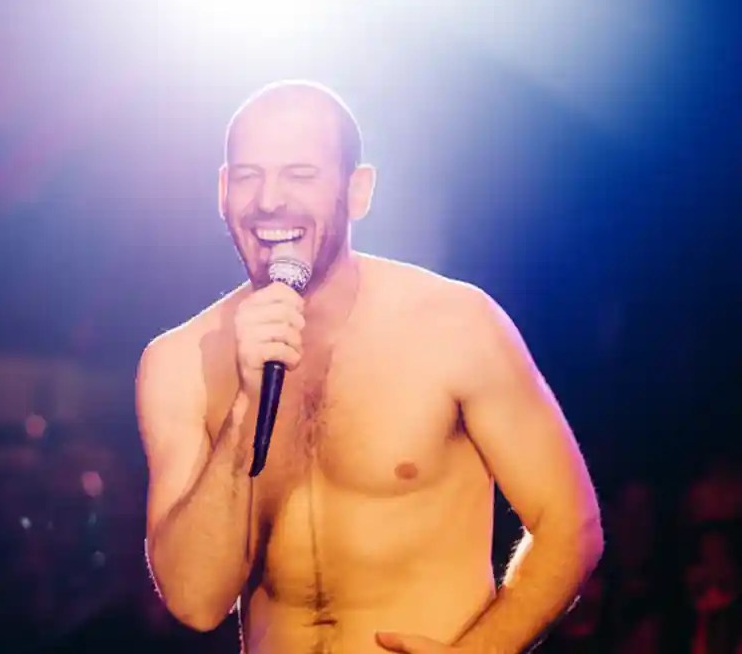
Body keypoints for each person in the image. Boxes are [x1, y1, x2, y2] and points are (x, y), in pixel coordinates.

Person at [136, 81, 604, 653]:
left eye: (300, 174)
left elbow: (570, 527)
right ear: (222, 191)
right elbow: (194, 600)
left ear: (356, 191)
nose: (269, 200)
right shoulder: (179, 362)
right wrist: (245, 409)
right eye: (248, 175)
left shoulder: (455, 324)